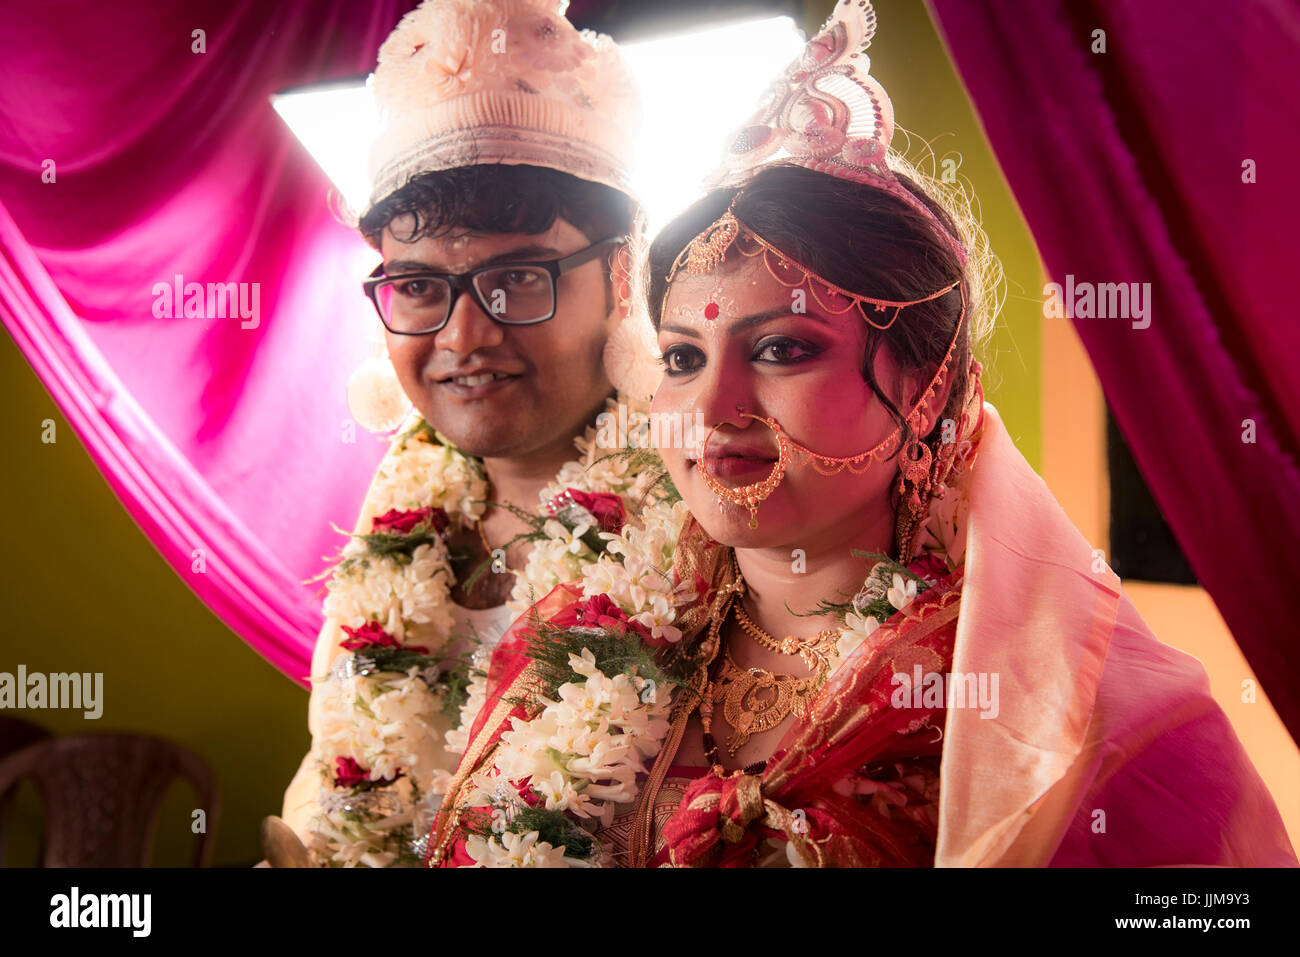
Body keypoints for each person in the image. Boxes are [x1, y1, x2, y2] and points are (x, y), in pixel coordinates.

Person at [425, 0, 1298, 867]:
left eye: (781, 349)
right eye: (683, 358)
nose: (714, 404)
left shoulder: (1066, 715)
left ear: (930, 388)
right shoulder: (574, 633)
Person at [278, 0, 667, 867]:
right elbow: (333, 790)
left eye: (517, 277)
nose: (462, 337)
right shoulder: (399, 521)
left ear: (620, 273)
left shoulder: (718, 508)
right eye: (418, 287)